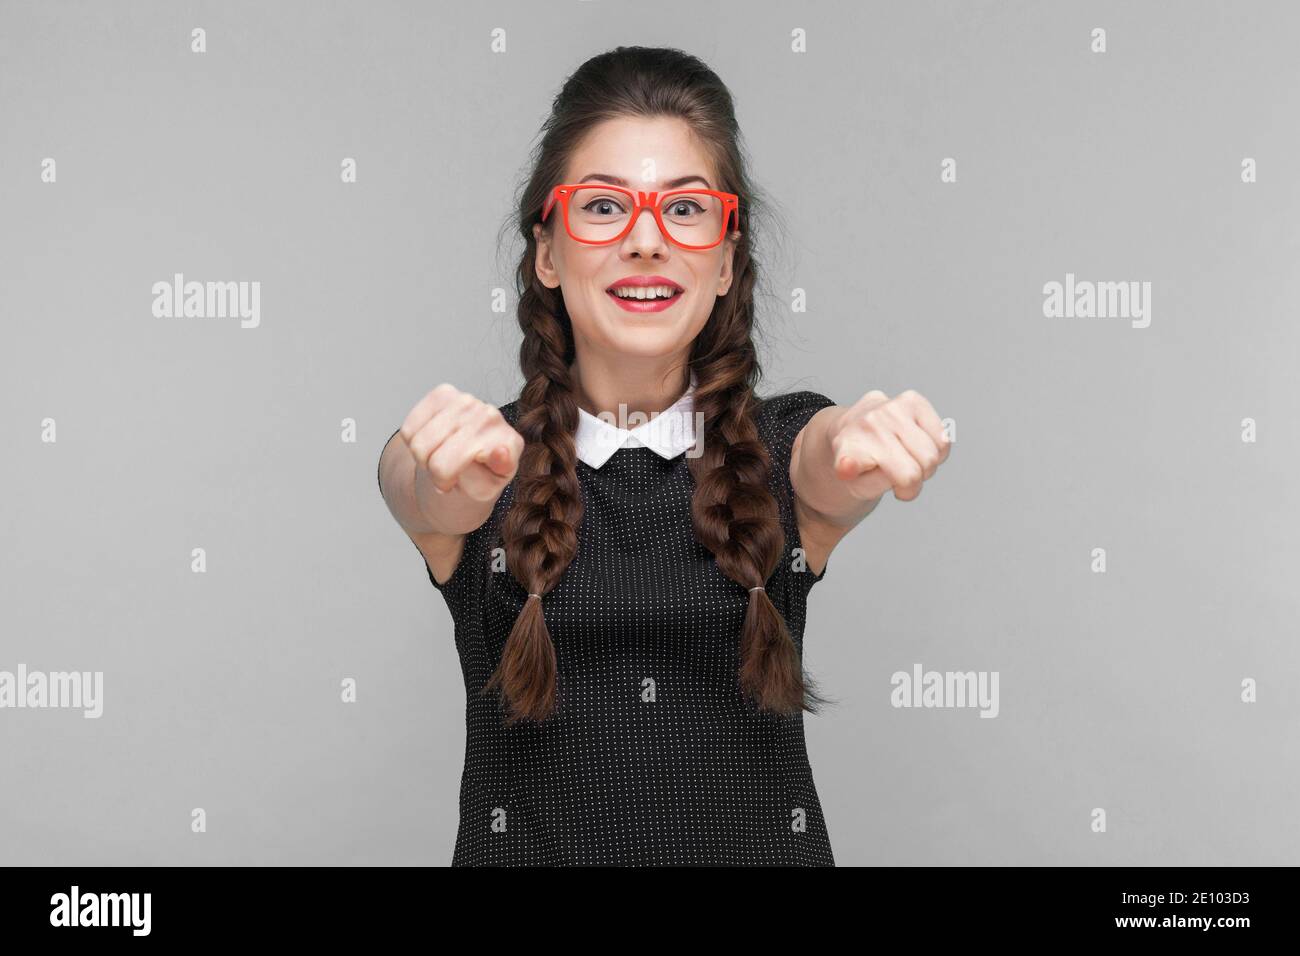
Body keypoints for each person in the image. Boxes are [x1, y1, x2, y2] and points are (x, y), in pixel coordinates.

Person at [377, 46, 951, 866]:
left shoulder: (780, 448)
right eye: (604, 207)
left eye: (684, 211)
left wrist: (860, 441)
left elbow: (828, 459)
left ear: (724, 259)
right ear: (547, 252)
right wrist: (429, 467)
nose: (646, 242)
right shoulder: (484, 461)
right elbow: (415, 488)